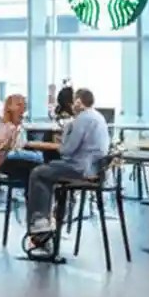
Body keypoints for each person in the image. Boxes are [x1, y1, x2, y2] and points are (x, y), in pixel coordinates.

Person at [27, 87, 108, 237]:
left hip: (81, 169)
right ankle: (49, 220)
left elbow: (66, 151)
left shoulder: (82, 119)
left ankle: (39, 222)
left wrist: (67, 129)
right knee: (50, 168)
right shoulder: (98, 116)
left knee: (39, 173)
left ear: (78, 102)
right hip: (94, 169)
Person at [0, 94, 41, 183]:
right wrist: (13, 131)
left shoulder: (20, 126)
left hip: (19, 161)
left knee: (39, 163)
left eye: (24, 105)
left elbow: (22, 144)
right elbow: (0, 147)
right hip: (3, 161)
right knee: (39, 159)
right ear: (8, 106)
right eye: (19, 105)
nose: (23, 108)